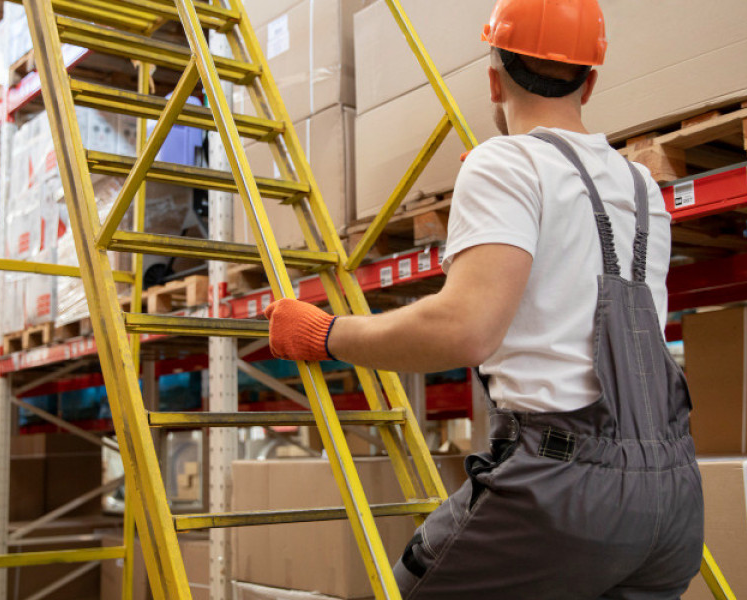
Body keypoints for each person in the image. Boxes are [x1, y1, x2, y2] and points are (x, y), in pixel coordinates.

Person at [263, 0, 704, 597]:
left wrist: (325, 333)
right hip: (673, 497)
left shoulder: (505, 162)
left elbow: (462, 329)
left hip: (562, 492)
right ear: (590, 81)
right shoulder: (643, 185)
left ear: (493, 78)